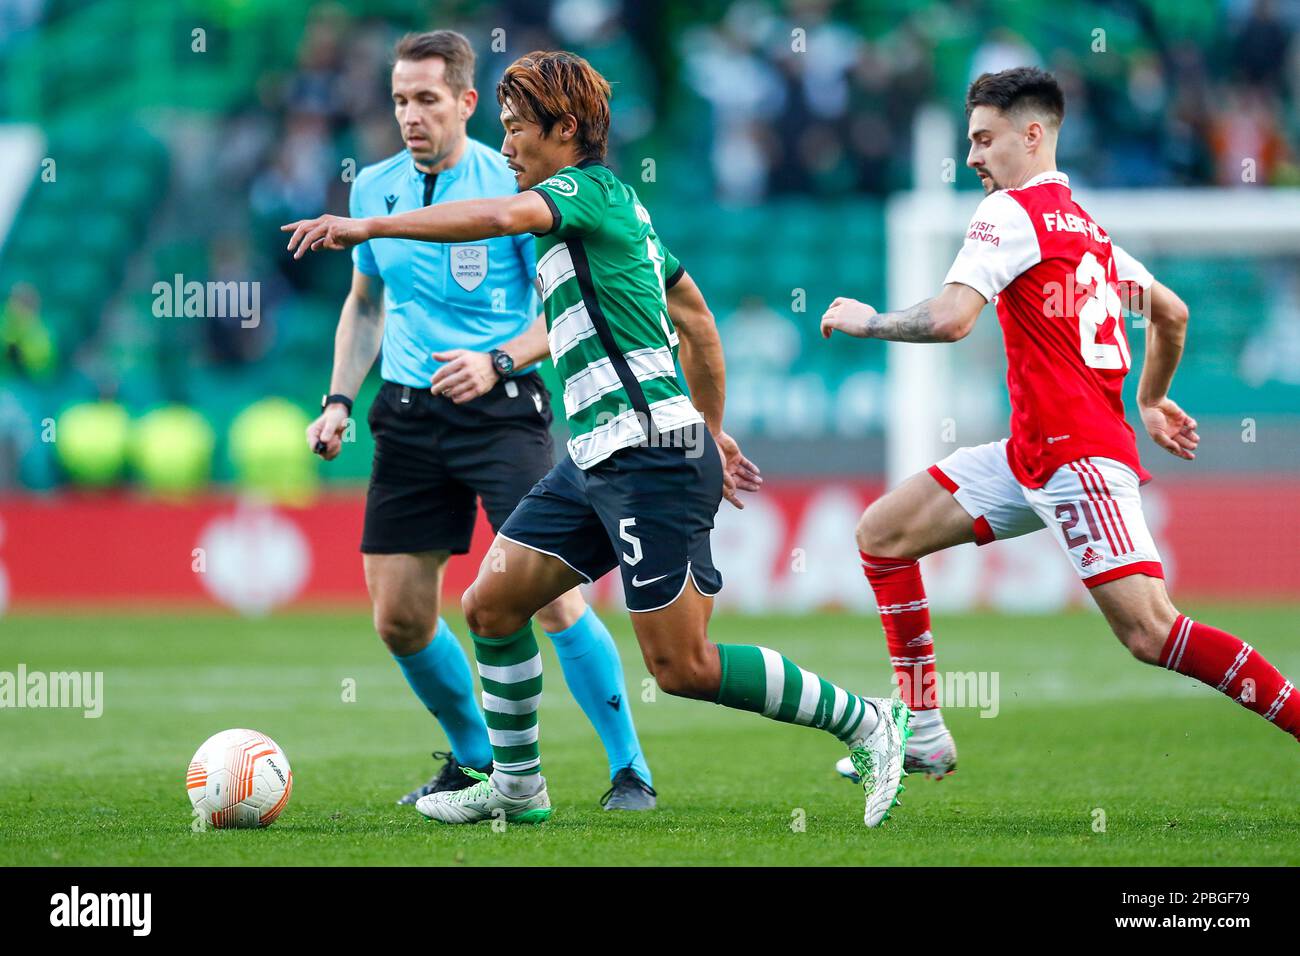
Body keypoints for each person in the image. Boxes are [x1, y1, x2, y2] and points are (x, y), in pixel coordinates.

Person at [285, 49, 912, 828]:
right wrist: (711, 429)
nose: (505, 146)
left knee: (683, 666)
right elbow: (697, 321)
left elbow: (495, 218)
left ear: (566, 131)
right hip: (596, 457)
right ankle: (517, 785)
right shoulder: (623, 215)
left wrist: (367, 226)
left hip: (650, 458)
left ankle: (869, 722)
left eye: (518, 129)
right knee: (491, 606)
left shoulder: (583, 191)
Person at [819, 66, 1299, 785]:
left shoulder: (1009, 215)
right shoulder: (1088, 234)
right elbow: (1171, 313)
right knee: (882, 535)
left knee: (1151, 632)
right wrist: (1151, 398)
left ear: (1032, 134)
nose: (972, 157)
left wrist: (869, 321)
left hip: (1078, 458)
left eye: (984, 139)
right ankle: (922, 730)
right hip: (1031, 454)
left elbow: (951, 319)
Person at [304, 31, 655, 811]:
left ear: (466, 101)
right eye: (400, 99)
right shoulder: (374, 187)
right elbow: (365, 304)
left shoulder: (519, 184)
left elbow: (560, 311)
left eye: (427, 99)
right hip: (406, 412)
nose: (411, 115)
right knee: (399, 618)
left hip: (502, 411)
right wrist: (338, 401)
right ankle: (474, 759)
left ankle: (629, 767)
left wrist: (498, 360)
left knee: (550, 596)